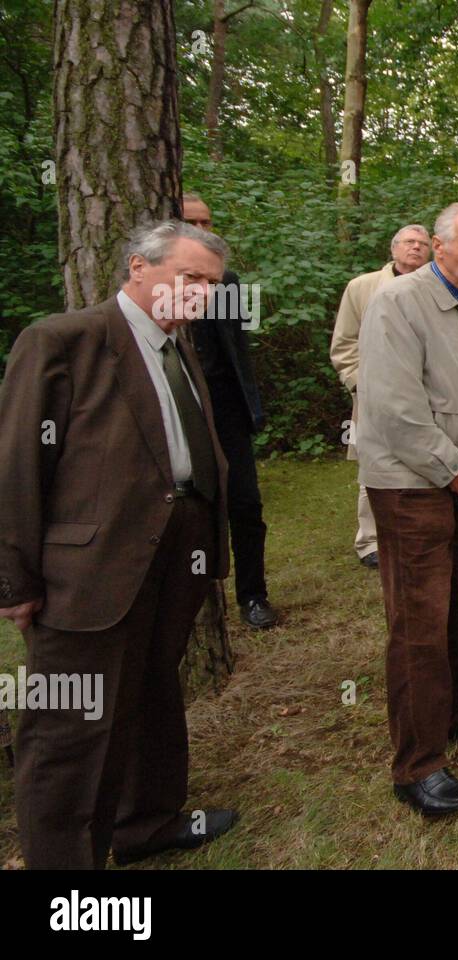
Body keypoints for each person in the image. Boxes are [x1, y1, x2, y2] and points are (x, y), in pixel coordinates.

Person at [0, 220, 239, 868]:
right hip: (91, 572)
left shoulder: (179, 349)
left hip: (174, 558)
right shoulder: (63, 342)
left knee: (155, 693)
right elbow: (18, 465)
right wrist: (14, 581)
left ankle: (147, 825)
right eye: (188, 278)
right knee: (72, 731)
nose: (199, 295)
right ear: (138, 267)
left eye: (210, 287)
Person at [356, 202, 458, 817]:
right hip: (413, 485)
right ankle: (417, 764)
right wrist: (455, 471)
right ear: (438, 246)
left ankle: (455, 715)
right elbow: (396, 407)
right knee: (420, 621)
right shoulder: (398, 303)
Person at [181, 194, 278, 628]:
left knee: (245, 504)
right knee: (190, 509)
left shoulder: (228, 281)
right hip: (180, 408)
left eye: (206, 222)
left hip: (226, 407)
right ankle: (192, 596)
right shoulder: (160, 287)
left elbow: (238, 349)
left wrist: (250, 408)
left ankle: (253, 596)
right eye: (191, 223)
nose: (203, 231)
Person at [330, 224, 432, 568]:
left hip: (425, 396)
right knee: (374, 465)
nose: (416, 248)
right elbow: (344, 345)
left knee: (422, 462)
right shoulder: (362, 288)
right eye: (409, 242)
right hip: (374, 397)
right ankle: (370, 540)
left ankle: (415, 533)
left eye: (422, 244)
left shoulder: (436, 288)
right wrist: (361, 383)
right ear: (393, 248)